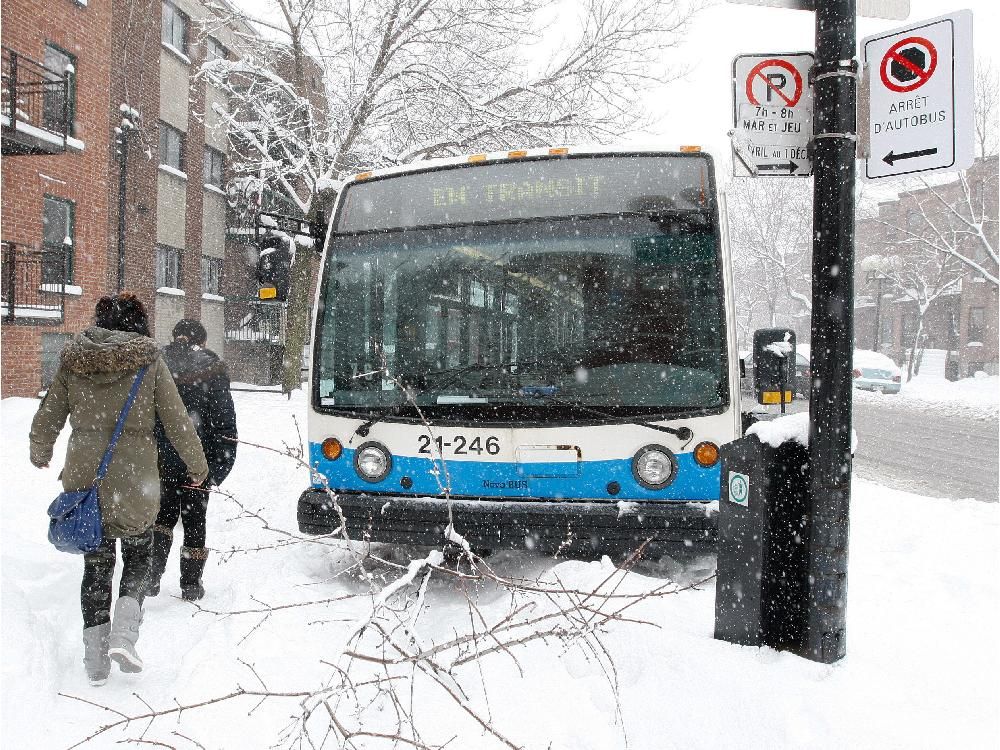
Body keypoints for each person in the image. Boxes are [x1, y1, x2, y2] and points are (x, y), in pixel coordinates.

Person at [30, 294, 208, 686]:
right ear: (140, 325)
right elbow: (178, 420)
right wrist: (198, 465)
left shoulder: (75, 360)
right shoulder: (148, 362)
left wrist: (40, 449)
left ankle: (95, 658)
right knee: (138, 556)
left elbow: (50, 412)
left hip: (86, 480)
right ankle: (124, 637)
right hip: (135, 479)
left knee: (96, 565)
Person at [149, 319, 237, 601]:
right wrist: (217, 469)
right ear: (203, 341)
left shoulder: (156, 363)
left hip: (161, 458)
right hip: (199, 460)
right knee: (195, 520)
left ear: (175, 337)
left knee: (162, 517)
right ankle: (190, 583)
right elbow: (225, 421)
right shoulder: (212, 369)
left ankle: (152, 577)